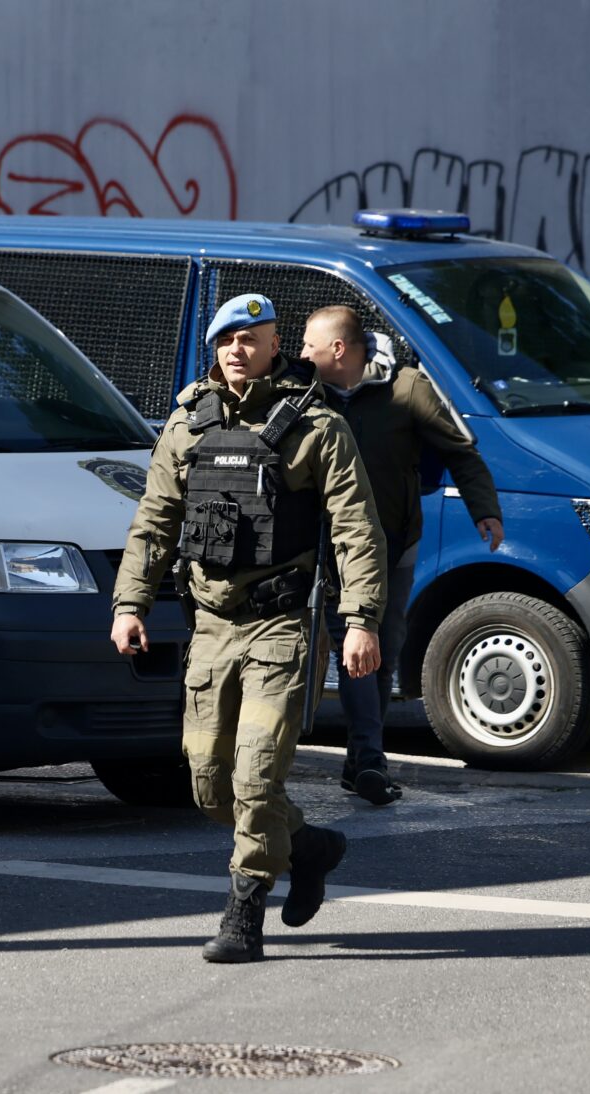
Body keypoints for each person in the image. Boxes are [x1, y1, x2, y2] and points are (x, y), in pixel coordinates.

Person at [112, 293, 388, 964]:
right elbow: (155, 522)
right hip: (210, 625)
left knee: (257, 775)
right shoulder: (188, 423)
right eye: (226, 338)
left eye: (250, 337)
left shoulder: (316, 425)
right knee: (211, 785)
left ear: (274, 345)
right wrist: (130, 604)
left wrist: (361, 620)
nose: (237, 349)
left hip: (280, 627)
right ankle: (310, 846)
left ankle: (243, 913)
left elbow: (356, 529)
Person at [300, 305, 504, 807]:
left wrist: (485, 511)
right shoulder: (305, 392)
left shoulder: (407, 388)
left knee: (382, 653)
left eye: (309, 345)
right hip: (331, 550)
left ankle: (359, 764)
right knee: (355, 649)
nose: (301, 353)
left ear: (339, 350)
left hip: (394, 546)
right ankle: (371, 760)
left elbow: (460, 450)